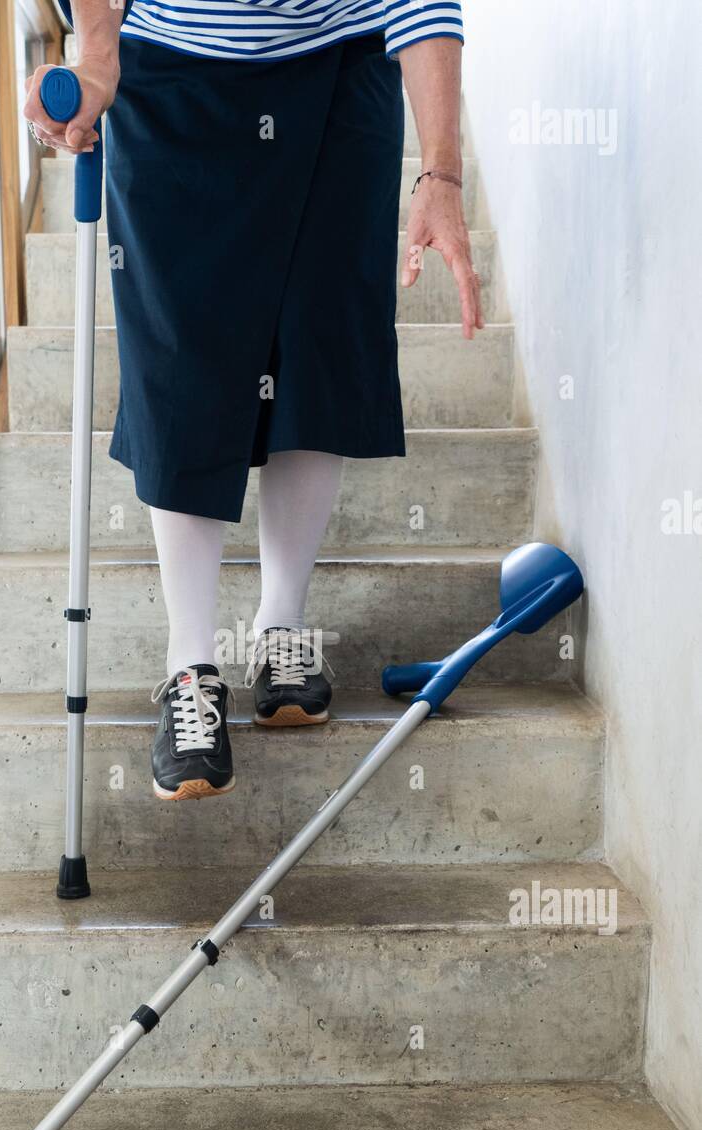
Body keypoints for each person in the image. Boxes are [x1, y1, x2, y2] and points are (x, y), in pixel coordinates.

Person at [25, 0, 481, 801]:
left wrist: (440, 172)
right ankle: (191, 668)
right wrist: (98, 52)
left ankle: (279, 625)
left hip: (341, 63)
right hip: (170, 67)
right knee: (184, 359)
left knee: (319, 342)